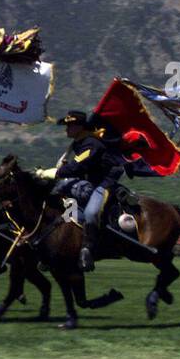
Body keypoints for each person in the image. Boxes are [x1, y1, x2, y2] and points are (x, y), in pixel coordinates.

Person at [34, 110, 125, 271]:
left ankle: (88, 250)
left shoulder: (92, 144)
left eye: (71, 125)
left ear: (81, 127)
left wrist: (49, 173)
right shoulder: (79, 143)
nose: (67, 129)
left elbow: (77, 167)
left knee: (90, 213)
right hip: (87, 183)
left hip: (102, 184)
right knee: (64, 208)